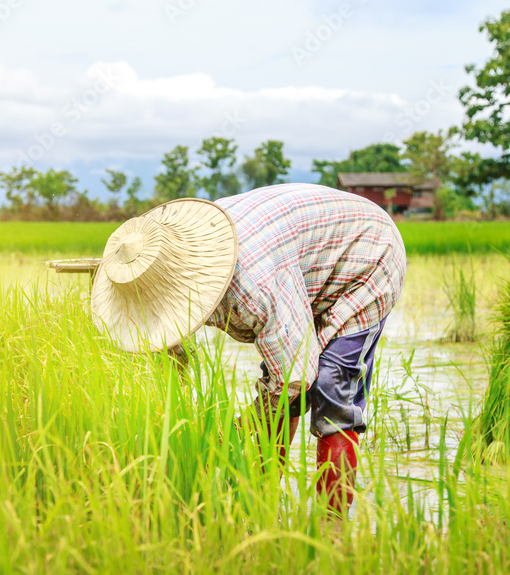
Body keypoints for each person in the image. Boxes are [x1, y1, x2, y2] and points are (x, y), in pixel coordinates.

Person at [90, 183, 406, 517]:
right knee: (281, 382)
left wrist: (238, 428)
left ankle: (333, 523)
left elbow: (295, 375)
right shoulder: (163, 263)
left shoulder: (251, 285)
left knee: (329, 388)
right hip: (298, 256)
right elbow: (165, 341)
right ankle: (261, 501)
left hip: (366, 254)